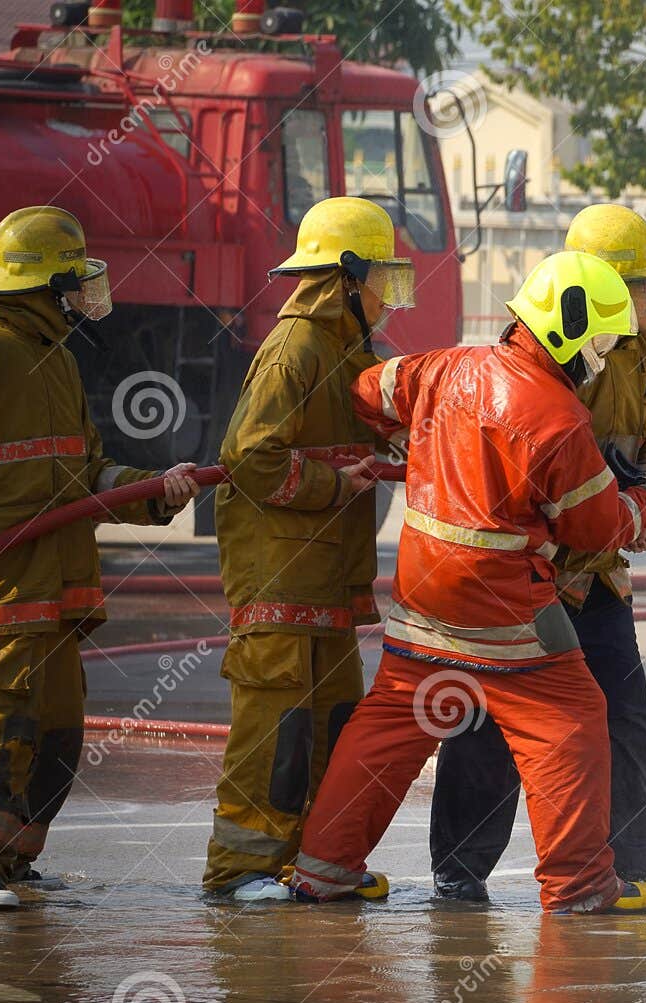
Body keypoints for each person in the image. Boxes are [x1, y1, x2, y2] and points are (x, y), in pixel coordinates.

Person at [289, 251, 646, 913]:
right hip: (505, 605)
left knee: (390, 722)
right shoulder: (558, 417)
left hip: (422, 596)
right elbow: (596, 530)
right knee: (572, 718)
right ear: (569, 328)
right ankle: (579, 886)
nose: (602, 359)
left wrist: (411, 439)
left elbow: (369, 391)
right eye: (600, 342)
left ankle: (323, 870)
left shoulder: (445, 367)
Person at [0, 205, 199, 911]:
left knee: (56, 733)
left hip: (60, 587)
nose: (83, 295)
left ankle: (10, 861)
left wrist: (154, 490)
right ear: (43, 287)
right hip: (3, 582)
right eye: (73, 281)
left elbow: (87, 476)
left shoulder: (56, 359)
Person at [429, 204, 646, 902]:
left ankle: (636, 869)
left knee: (622, 724)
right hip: (527, 577)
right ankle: (458, 875)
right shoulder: (550, 356)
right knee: (489, 728)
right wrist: (612, 499)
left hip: (598, 578)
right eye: (639, 288)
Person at [203, 197, 411, 902]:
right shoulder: (294, 349)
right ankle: (240, 871)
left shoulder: (348, 349)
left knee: (332, 729)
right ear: (346, 278)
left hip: (325, 579)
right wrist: (332, 484)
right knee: (276, 734)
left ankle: (313, 864)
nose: (387, 294)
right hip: (280, 578)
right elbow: (248, 456)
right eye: (380, 278)